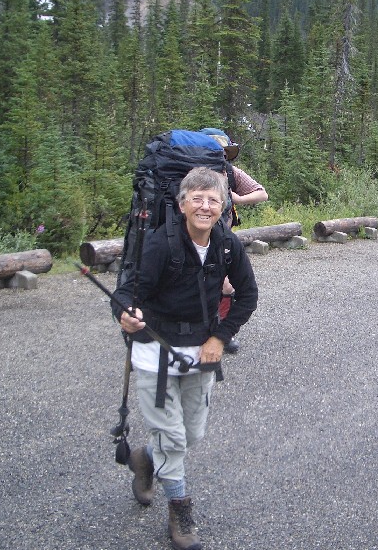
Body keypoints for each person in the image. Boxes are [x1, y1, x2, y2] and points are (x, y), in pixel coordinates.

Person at [113, 167, 258, 549]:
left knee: (191, 433)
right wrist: (127, 315)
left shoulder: (227, 246)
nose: (205, 206)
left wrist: (220, 337)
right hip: (155, 352)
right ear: (181, 205)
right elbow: (127, 291)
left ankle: (145, 458)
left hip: (203, 350)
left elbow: (248, 296)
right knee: (175, 438)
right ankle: (180, 510)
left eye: (213, 200)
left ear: (223, 206)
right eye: (197, 198)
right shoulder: (160, 244)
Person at [201, 129, 268, 354]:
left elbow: (262, 193)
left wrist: (238, 198)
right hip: (191, 240)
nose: (219, 156)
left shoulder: (230, 173)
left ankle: (221, 332)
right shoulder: (191, 173)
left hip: (222, 241)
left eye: (222, 152)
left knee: (227, 285)